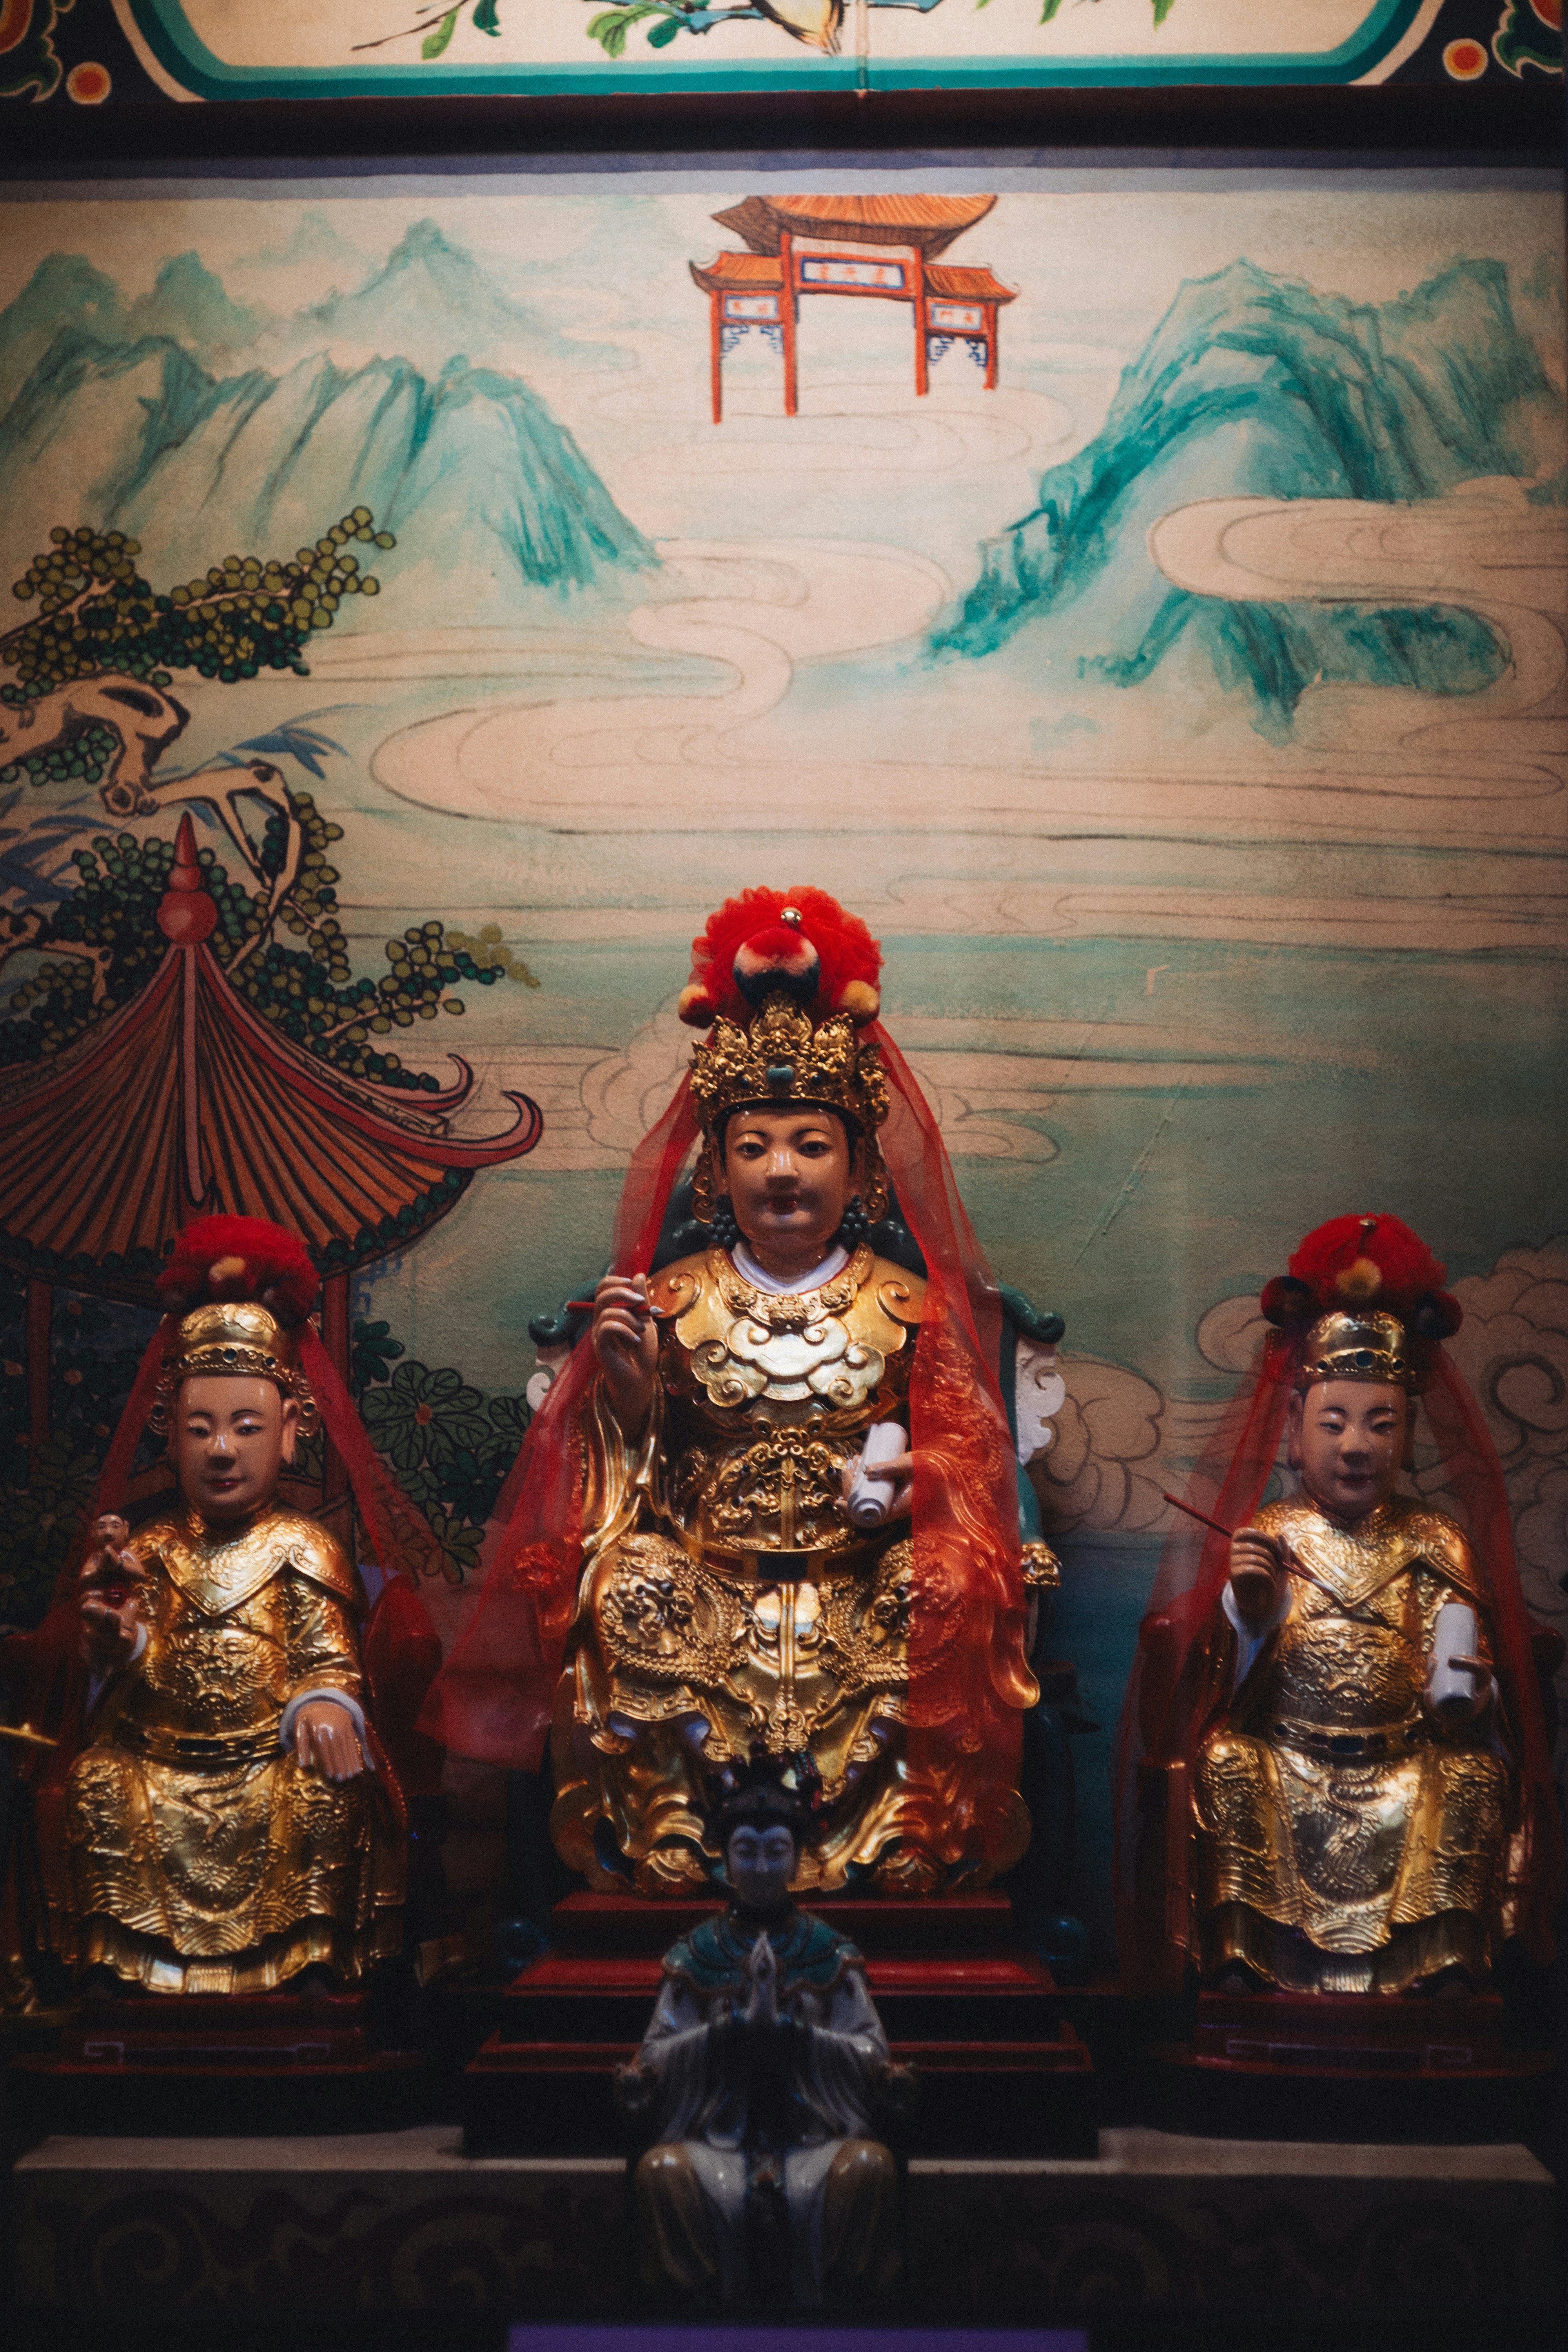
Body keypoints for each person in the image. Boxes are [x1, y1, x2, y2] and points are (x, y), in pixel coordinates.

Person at [472, 887, 1045, 1897]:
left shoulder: (907, 1305)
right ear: (715, 1171)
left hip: (859, 1578)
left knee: (952, 1585)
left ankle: (903, 1822)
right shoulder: (670, 1300)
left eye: (810, 1145)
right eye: (753, 1147)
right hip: (707, 1578)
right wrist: (628, 1396)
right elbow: (616, 1485)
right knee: (618, 1584)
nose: (781, 1171)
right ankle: (672, 1819)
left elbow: (971, 1455)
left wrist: (924, 1483)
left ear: (858, 1170)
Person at [1124, 1213, 1560, 1997]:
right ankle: (1246, 1962)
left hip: (1404, 1763)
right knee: (1227, 1762)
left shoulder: (1434, 1540)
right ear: (1294, 1434)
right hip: (1288, 1756)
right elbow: (1222, 1693)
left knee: (1471, 1777)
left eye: (1380, 1424)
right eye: (1333, 1423)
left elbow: (1468, 1681)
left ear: (1407, 1435)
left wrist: (1470, 1693)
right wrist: (1252, 1612)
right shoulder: (1273, 1531)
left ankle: (1442, 1965)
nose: (1356, 1445)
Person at [56, 1229, 403, 1997]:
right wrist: (118, 1644)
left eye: (247, 1428)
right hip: (160, 1766)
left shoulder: (304, 1548)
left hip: (269, 1765)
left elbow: (329, 1658)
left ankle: (309, 1962)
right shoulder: (148, 1550)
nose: (221, 1450)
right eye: (200, 1428)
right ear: (169, 1436)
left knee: (326, 1788)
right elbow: (122, 1683)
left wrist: (326, 1704)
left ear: (291, 1430)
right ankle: (123, 1968)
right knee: (97, 1782)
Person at [617, 1750, 906, 2306]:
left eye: (777, 1852)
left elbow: (873, 2054)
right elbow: (654, 2058)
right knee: (661, 2172)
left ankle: (849, 2323)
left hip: (815, 2135)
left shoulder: (830, 1954)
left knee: (871, 2168)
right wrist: (729, 2032)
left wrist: (794, 2036)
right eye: (746, 1852)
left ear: (798, 1862)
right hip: (716, 2136)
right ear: (726, 1862)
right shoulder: (695, 1955)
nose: (763, 1867)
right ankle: (692, 2324)